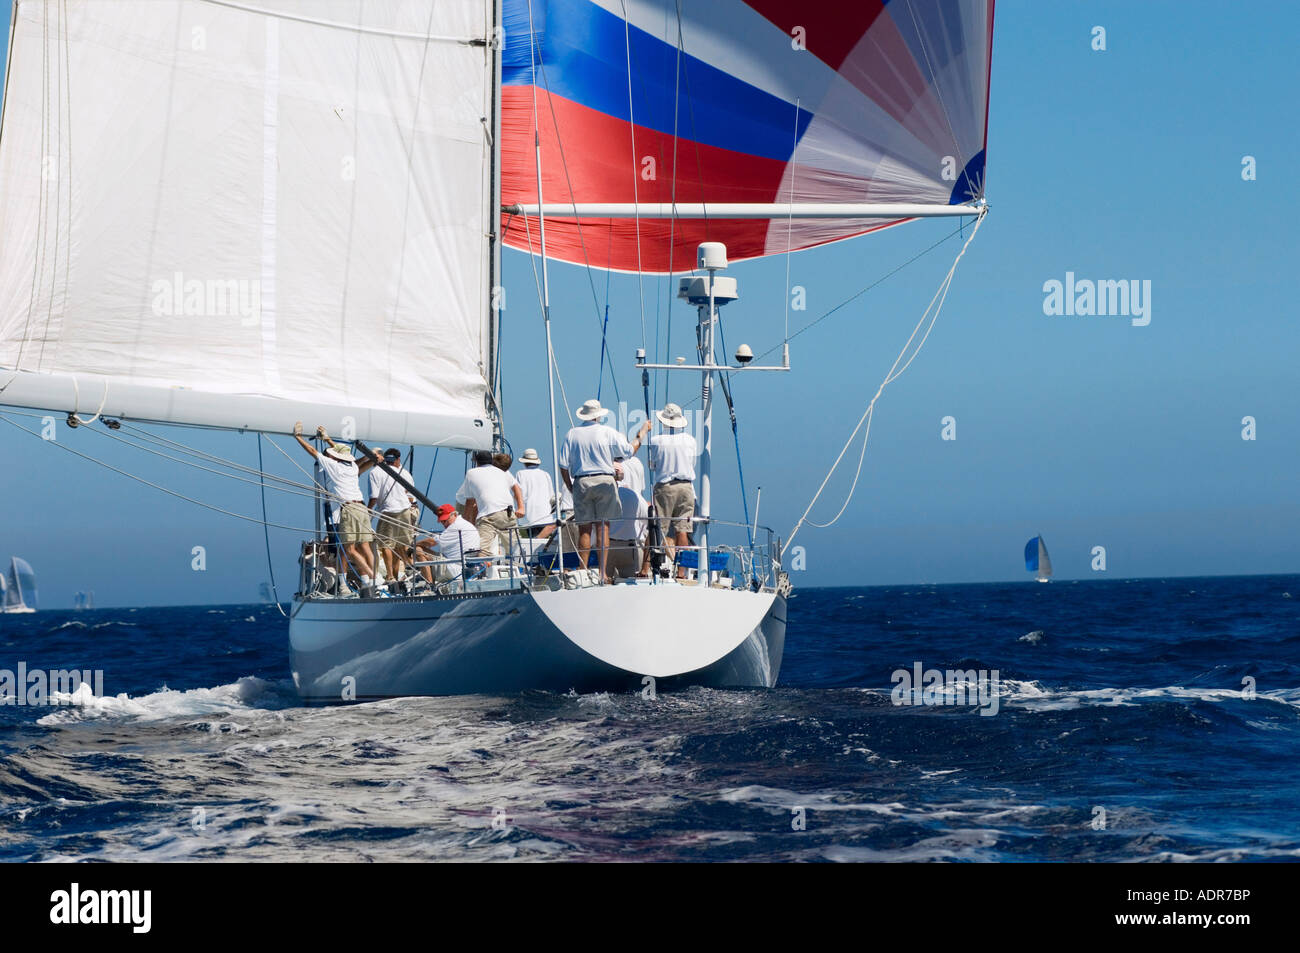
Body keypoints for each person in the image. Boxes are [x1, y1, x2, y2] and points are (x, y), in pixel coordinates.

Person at [293, 422, 380, 590]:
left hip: (345, 511)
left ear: (333, 458)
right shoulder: (353, 467)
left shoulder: (332, 466)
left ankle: (372, 579)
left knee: (347, 549)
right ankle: (368, 581)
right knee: (363, 547)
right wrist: (327, 439)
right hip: (360, 508)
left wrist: (298, 437)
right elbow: (344, 455)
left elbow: (312, 451)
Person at [559, 399, 632, 583]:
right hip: (604, 480)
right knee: (603, 528)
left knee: (585, 530)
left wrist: (569, 485)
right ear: (599, 415)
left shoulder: (572, 433)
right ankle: (602, 573)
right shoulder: (607, 432)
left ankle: (583, 572)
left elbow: (563, 464)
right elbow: (627, 451)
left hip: (581, 481)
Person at [641, 402, 697, 578]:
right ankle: (681, 572)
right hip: (686, 487)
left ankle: (645, 569)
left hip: (665, 487)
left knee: (656, 529)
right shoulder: (690, 440)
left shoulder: (656, 441)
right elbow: (692, 463)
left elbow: (652, 465)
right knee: (683, 531)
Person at [456, 449, 524, 565]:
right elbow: (516, 487)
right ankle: (519, 571)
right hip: (508, 514)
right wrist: (521, 507)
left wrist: (467, 524)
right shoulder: (502, 472)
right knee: (514, 549)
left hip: (489, 516)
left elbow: (470, 502)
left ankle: (482, 575)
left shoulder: (471, 473)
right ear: (491, 460)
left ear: (477, 462)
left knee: (482, 550)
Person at [368, 447, 417, 591]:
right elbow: (408, 491)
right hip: (405, 510)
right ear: (396, 460)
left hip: (388, 511)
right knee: (400, 545)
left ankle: (390, 577)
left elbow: (374, 497)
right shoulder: (401, 471)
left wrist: (368, 512)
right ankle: (399, 573)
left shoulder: (375, 472)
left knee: (386, 545)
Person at [415, 503, 481, 583]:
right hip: (466, 567)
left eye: (446, 520)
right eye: (442, 521)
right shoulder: (466, 524)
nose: (444, 524)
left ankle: (429, 586)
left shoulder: (455, 526)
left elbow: (432, 542)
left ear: (454, 515)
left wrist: (414, 545)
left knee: (417, 550)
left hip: (455, 568)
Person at [608, 467, 649, 580]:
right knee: (631, 586)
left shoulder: (604, 497)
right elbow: (650, 521)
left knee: (603, 584)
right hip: (630, 548)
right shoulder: (634, 495)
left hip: (607, 547)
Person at [515, 448, 556, 542]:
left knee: (531, 542)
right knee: (543, 543)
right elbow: (551, 496)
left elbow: (518, 493)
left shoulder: (520, 474)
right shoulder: (546, 474)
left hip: (529, 514)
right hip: (545, 514)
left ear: (525, 462)